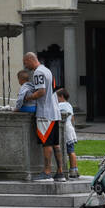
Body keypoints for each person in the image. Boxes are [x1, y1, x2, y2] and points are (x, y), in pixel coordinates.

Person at [23, 52, 63, 181]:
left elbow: (41, 92)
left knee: (47, 143)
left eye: (25, 62)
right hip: (54, 111)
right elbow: (53, 89)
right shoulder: (47, 70)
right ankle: (60, 173)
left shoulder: (38, 72)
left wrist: (27, 97)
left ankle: (46, 172)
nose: (25, 65)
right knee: (55, 143)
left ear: (31, 59)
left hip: (45, 113)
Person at [57, 87, 80, 178]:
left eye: (57, 97)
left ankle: (73, 169)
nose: (56, 100)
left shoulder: (61, 105)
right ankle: (74, 169)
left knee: (69, 151)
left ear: (62, 96)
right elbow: (72, 118)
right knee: (71, 151)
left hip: (65, 130)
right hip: (70, 129)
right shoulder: (69, 105)